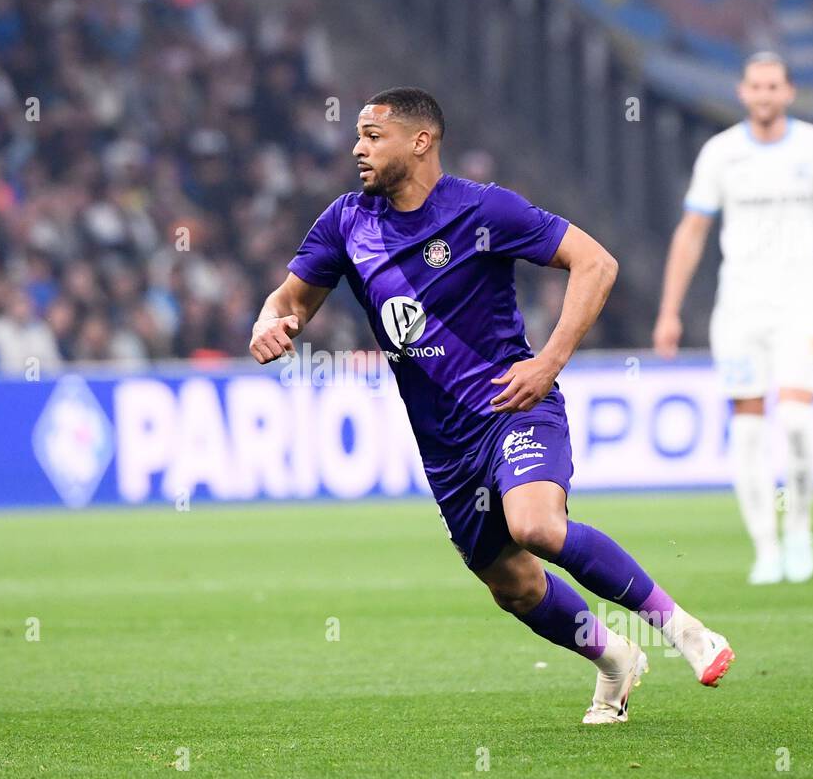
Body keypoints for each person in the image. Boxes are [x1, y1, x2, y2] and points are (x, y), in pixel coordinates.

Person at [249, 87, 733, 725]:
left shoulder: (483, 209)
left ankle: (685, 631)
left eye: (372, 135)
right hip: (445, 446)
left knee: (535, 524)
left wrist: (550, 362)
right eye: (358, 136)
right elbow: (290, 302)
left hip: (513, 408)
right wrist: (269, 324)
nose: (357, 148)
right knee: (515, 585)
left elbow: (596, 263)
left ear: (421, 141)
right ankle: (615, 659)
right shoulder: (346, 221)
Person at [653, 52, 813, 585]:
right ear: (742, 91)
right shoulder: (722, 154)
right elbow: (692, 232)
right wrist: (670, 310)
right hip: (740, 311)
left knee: (797, 421)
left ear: (789, 92)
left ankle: (799, 527)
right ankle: (765, 547)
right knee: (749, 432)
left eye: (773, 86)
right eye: (756, 86)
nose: (764, 94)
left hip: (801, 305)